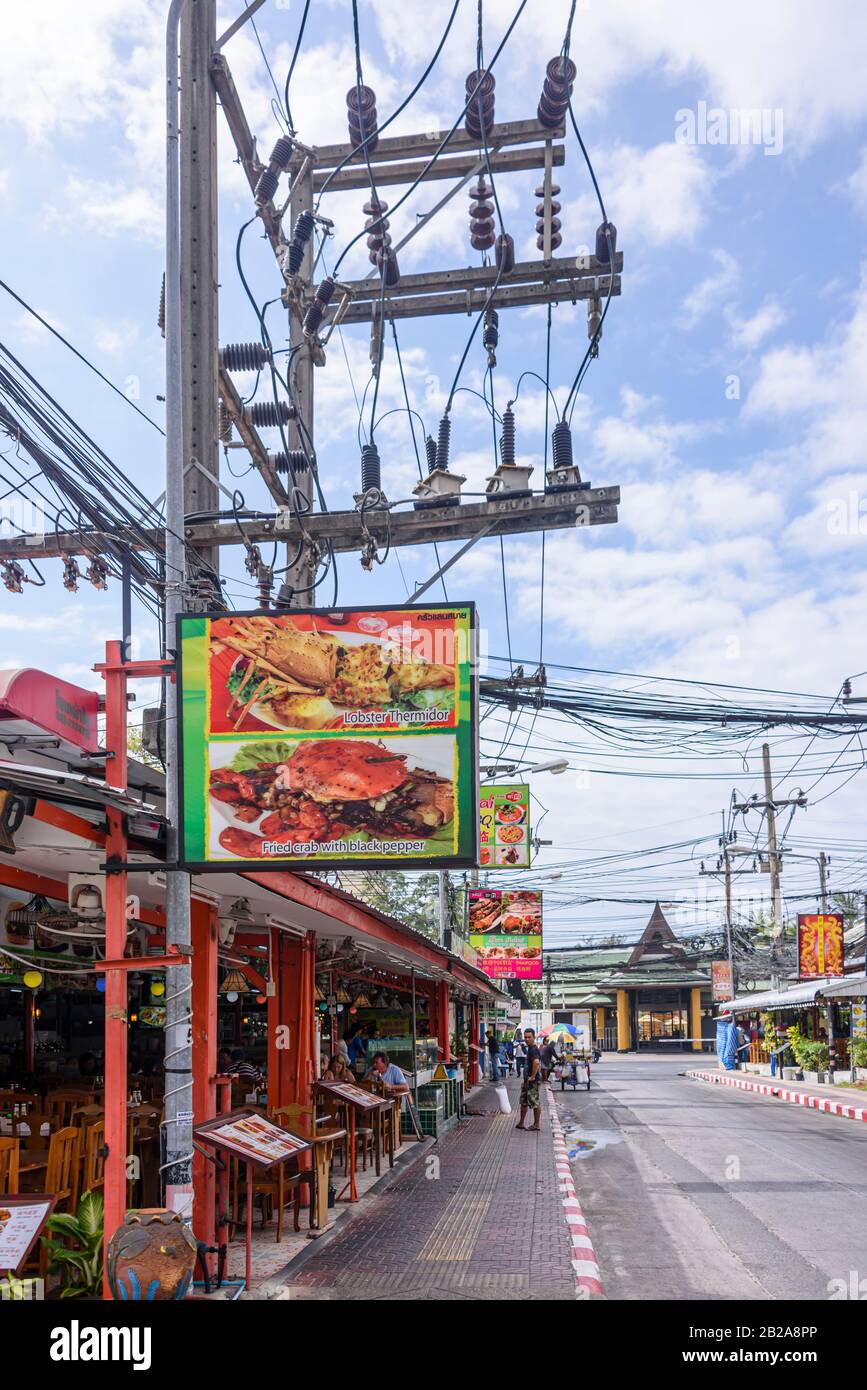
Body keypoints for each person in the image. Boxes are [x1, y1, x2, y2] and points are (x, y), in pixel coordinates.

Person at [516, 1028, 541, 1131]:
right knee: (524, 1101)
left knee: (534, 1102)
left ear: (534, 1037)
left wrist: (533, 1076)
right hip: (528, 1080)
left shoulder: (534, 1049)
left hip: (533, 1081)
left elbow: (536, 1063)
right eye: (525, 1037)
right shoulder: (530, 1048)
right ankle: (521, 1123)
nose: (527, 1039)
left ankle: (536, 1124)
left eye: (529, 1037)